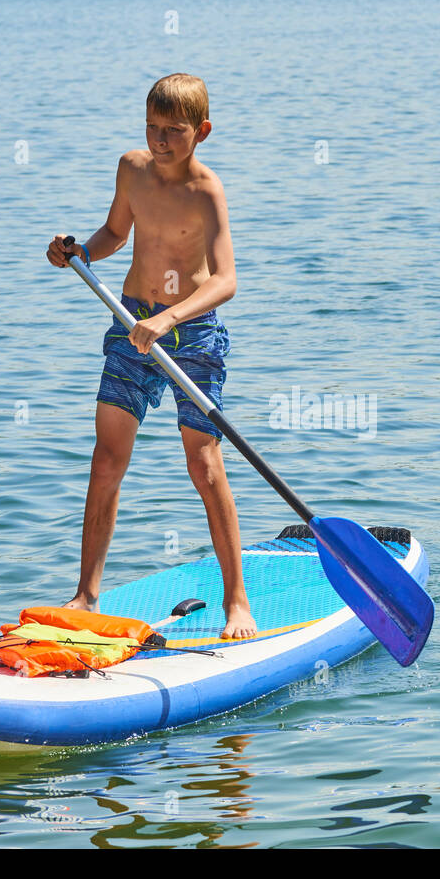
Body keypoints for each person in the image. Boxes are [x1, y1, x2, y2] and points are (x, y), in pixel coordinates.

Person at [46, 73, 256, 639]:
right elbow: (116, 231)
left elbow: (226, 279)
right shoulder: (131, 169)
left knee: (204, 466)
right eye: (152, 128)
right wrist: (79, 253)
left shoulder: (207, 191)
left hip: (190, 335)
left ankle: (237, 602)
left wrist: (170, 318)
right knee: (107, 456)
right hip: (130, 322)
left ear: (202, 132)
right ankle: (87, 594)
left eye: (174, 130)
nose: (160, 140)